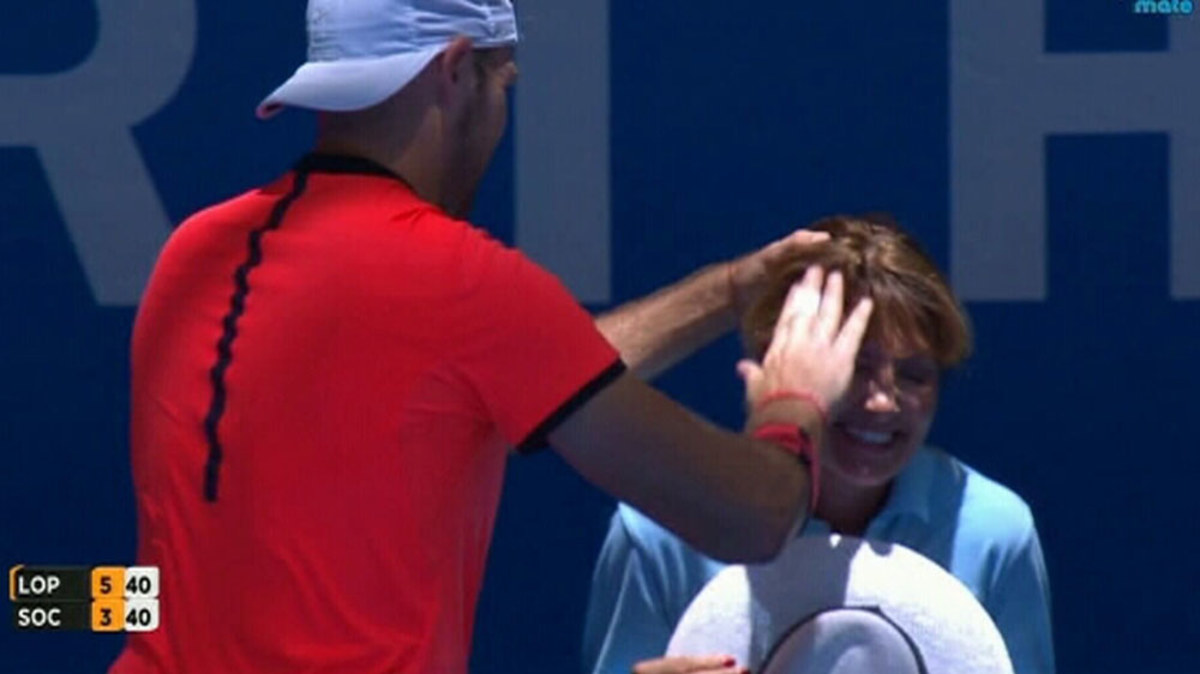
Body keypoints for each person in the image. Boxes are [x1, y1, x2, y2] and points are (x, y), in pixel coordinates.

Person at [110, 1, 875, 673]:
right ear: (453, 70)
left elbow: (511, 379)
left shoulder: (192, 254)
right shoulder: (461, 285)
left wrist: (729, 290)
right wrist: (797, 401)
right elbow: (755, 517)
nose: (504, 113)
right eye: (503, 80)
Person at [583, 215, 1055, 674]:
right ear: (782, 361)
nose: (882, 402)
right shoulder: (657, 530)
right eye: (855, 366)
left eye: (915, 374)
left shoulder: (996, 530)